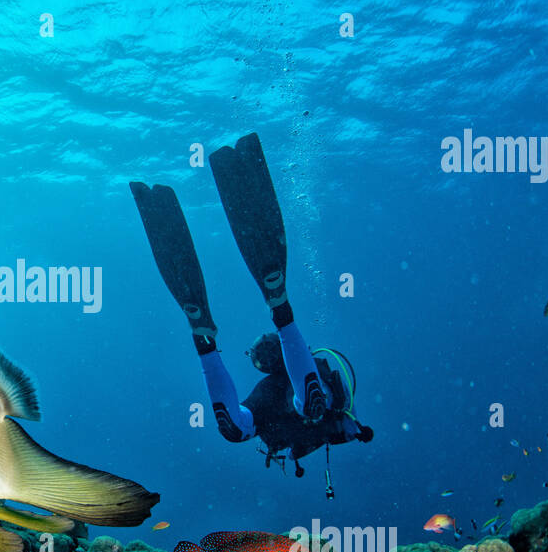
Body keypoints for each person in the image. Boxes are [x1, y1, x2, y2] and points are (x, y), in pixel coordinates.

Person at [131, 132, 373, 485]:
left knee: (242, 425)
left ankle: (219, 336)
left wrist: (355, 429)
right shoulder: (306, 399)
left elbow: (350, 426)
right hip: (296, 401)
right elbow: (350, 427)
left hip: (283, 407)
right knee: (302, 406)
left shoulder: (276, 395)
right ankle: (274, 314)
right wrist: (356, 430)